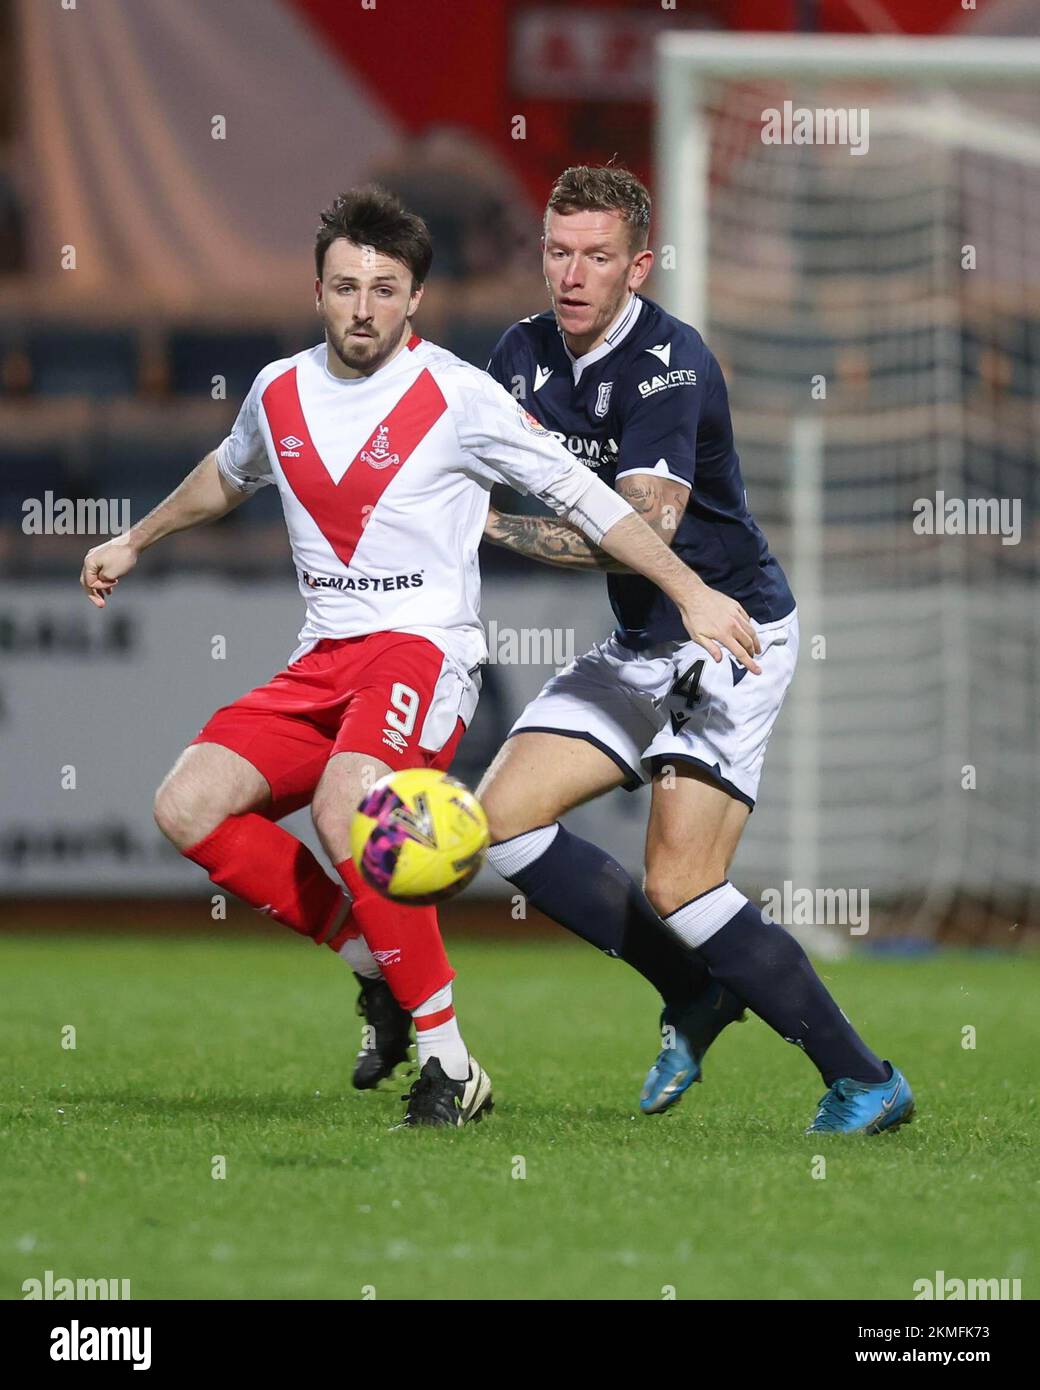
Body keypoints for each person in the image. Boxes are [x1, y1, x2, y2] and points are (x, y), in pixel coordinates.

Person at [79, 184, 760, 1128]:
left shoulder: (459, 394)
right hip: (322, 658)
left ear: (415, 301)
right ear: (316, 290)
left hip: (422, 653)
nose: (364, 307)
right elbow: (226, 475)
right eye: (346, 286)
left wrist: (690, 591)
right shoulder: (279, 390)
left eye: (385, 289)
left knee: (346, 805)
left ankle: (450, 1064)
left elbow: (593, 502)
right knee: (186, 805)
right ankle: (377, 964)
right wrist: (135, 539)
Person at [479, 165, 914, 1135]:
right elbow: (458, 450)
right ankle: (695, 991)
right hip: (644, 639)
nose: (571, 274)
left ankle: (862, 1076)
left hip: (730, 630)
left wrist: (491, 528)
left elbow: (645, 527)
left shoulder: (671, 360)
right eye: (556, 250)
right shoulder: (519, 355)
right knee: (499, 819)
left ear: (638, 264)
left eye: (596, 255)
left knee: (679, 881)